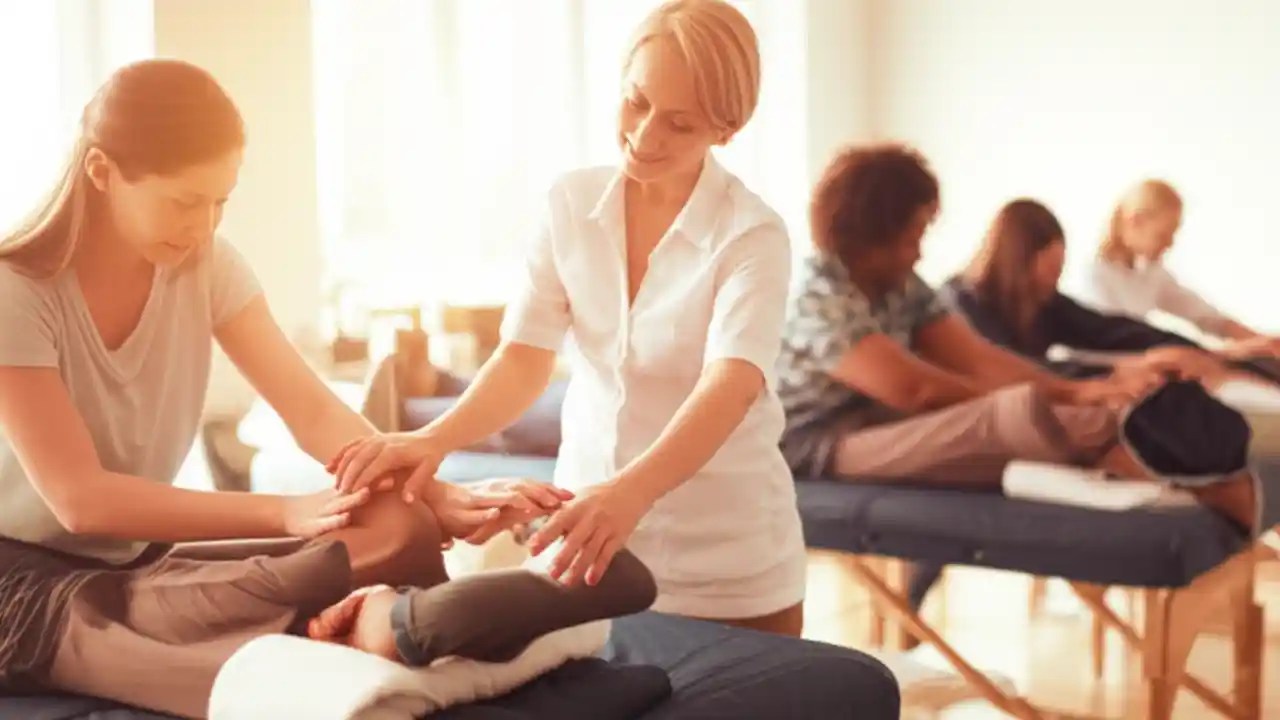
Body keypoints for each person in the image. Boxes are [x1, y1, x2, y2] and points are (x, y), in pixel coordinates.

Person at [0, 59, 582, 718]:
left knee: (394, 519)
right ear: (102, 173)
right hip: (21, 580)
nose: (204, 225)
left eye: (220, 201)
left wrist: (436, 494)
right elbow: (82, 503)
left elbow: (308, 409)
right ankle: (375, 628)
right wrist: (283, 512)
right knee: (139, 632)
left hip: (137, 562)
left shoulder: (206, 265)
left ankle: (383, 620)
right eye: (184, 201)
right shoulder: (16, 291)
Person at [331, 0, 809, 636]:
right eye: (635, 102)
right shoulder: (571, 204)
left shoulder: (752, 235)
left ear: (725, 129)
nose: (644, 136)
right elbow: (526, 356)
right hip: (586, 550)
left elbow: (730, 384)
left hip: (727, 560)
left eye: (679, 123)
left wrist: (630, 493)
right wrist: (432, 440)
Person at [775, 146, 1264, 604]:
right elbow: (915, 388)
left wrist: (1080, 391)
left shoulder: (901, 285)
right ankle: (1191, 480)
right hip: (821, 444)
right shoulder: (820, 296)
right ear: (871, 236)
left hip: (881, 419)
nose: (920, 252)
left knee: (1038, 410)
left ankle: (1177, 473)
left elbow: (981, 358)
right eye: (913, 237)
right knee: (1006, 418)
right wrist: (1037, 402)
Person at [941, 198, 1274, 390]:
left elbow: (1114, 331)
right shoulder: (962, 303)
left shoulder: (1043, 301)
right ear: (1020, 263)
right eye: (1050, 272)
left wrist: (1209, 354)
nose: (1053, 284)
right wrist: (1126, 372)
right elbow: (1018, 371)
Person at [1086, 179, 1280, 360]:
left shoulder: (1149, 272)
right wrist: (1226, 353)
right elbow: (1124, 348)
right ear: (1136, 221)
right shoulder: (1095, 277)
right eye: (1163, 235)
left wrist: (1263, 342)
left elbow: (1207, 317)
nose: (1169, 244)